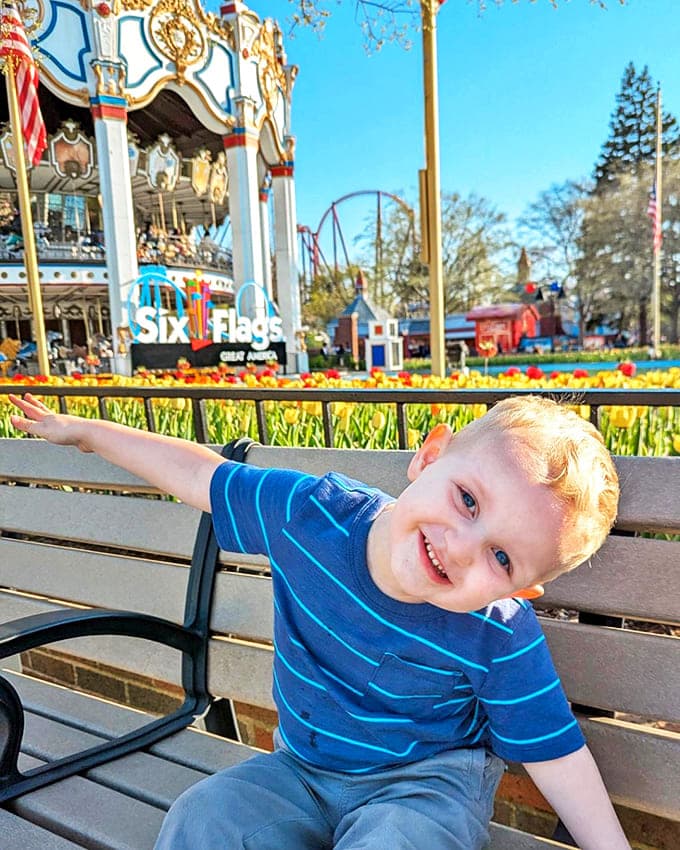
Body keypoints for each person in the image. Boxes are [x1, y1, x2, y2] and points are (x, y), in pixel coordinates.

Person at [7, 393, 630, 850]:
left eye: (501, 558)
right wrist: (87, 432)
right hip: (300, 770)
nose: (462, 546)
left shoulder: (500, 631)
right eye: (467, 499)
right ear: (429, 456)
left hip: (425, 787)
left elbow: (557, 754)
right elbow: (201, 475)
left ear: (521, 590)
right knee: (203, 820)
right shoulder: (312, 516)